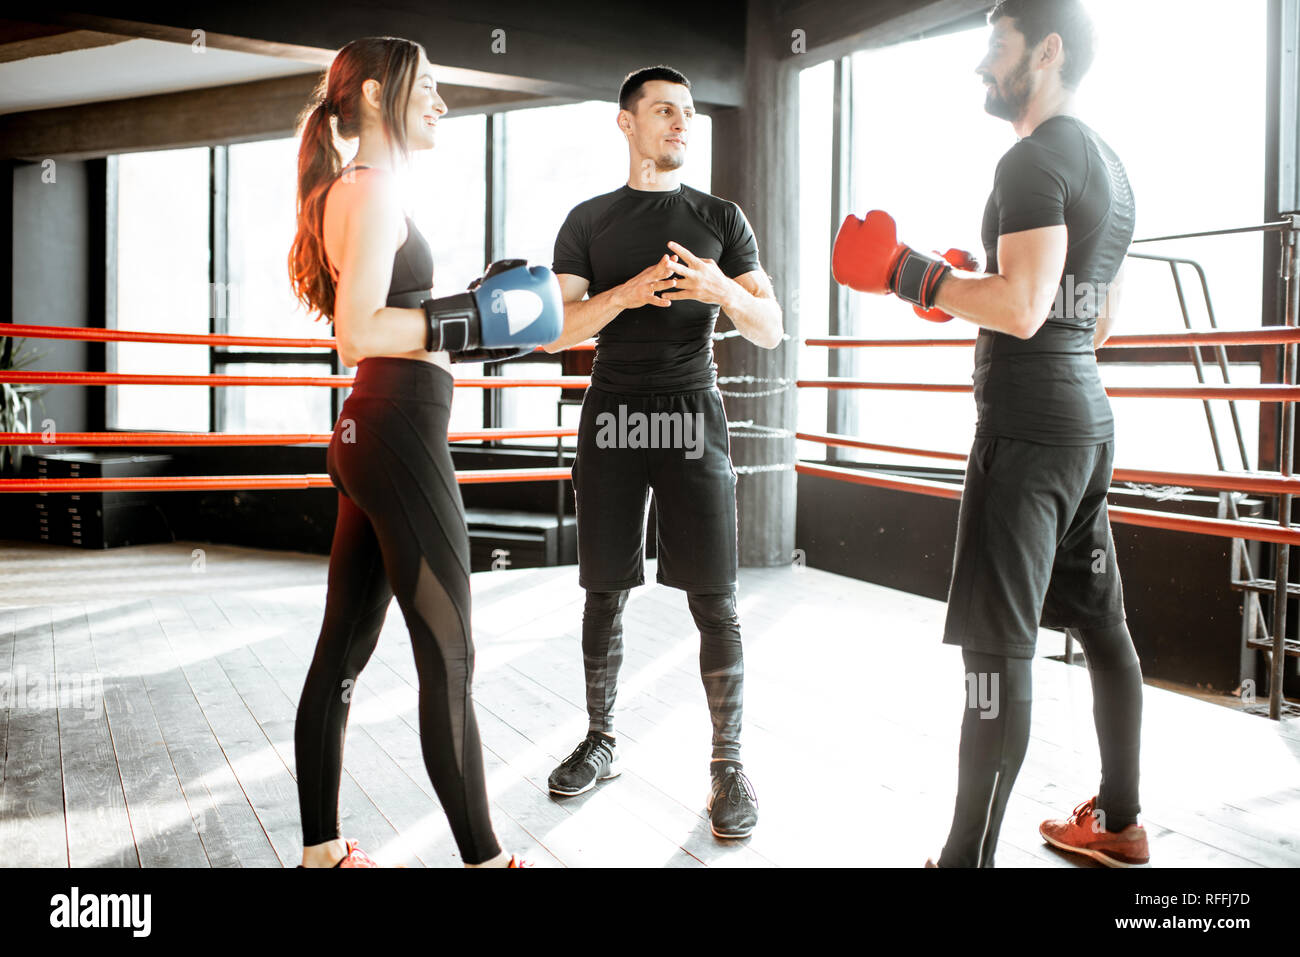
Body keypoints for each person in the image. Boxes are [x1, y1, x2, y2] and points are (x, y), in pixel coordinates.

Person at [833, 0, 1147, 867]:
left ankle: (962, 860)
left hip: (1027, 436)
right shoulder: (1110, 167)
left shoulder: (1032, 159)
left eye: (995, 44)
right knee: (1102, 627)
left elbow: (1022, 306)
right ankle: (1120, 821)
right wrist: (965, 283)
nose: (981, 64)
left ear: (1045, 50)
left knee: (995, 651)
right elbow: (1096, 320)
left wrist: (910, 273)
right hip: (1084, 426)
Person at [287, 36, 559, 868]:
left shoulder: (356, 188)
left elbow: (394, 323)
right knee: (450, 654)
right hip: (397, 432)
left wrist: (468, 316)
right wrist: (468, 318)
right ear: (374, 94)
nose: (442, 102)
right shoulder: (371, 192)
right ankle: (487, 860)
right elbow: (358, 331)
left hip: (373, 430)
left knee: (343, 648)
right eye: (428, 87)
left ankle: (321, 852)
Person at [543, 66, 782, 839]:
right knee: (604, 589)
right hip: (612, 412)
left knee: (715, 597)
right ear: (626, 122)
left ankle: (727, 767)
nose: (681, 123)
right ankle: (602, 738)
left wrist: (721, 288)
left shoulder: (721, 217)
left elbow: (770, 327)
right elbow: (557, 329)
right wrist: (629, 292)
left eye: (687, 112)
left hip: (691, 415)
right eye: (663, 111)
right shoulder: (588, 220)